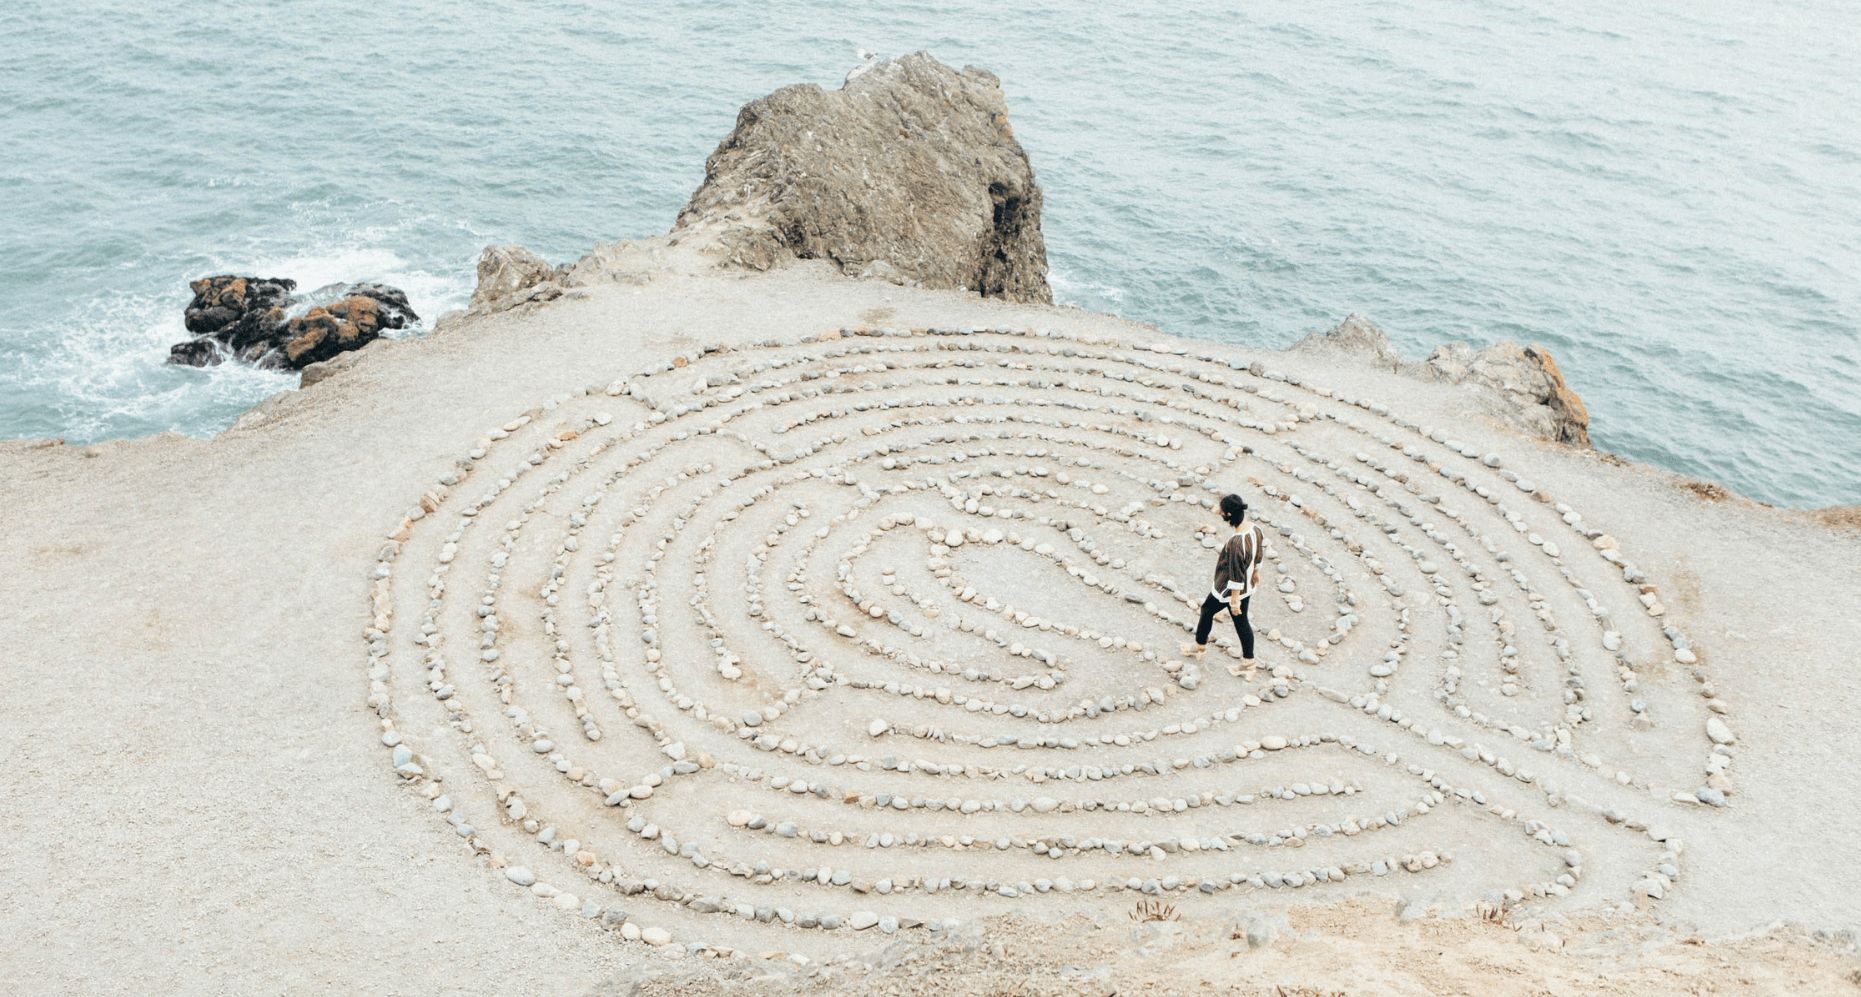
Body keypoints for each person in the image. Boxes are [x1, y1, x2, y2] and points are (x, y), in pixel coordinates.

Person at [1182, 493, 1263, 677]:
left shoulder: (1236, 543)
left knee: (1208, 610)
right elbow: (1259, 553)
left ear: (1228, 516)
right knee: (1241, 623)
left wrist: (1234, 601)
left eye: (1222, 512)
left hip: (1227, 590)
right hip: (1247, 586)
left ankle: (1199, 646)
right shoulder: (1255, 529)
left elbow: (1235, 573)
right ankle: (1247, 661)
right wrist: (1256, 572)